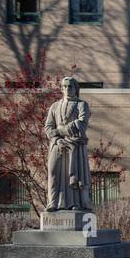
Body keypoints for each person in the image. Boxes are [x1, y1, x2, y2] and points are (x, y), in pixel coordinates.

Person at [45, 76, 92, 211]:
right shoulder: (54, 106)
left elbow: (82, 123)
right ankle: (53, 203)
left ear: (76, 89)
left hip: (74, 145)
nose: (67, 89)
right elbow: (48, 127)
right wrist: (56, 139)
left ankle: (74, 203)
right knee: (53, 172)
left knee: (73, 174)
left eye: (70, 86)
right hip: (57, 145)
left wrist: (61, 130)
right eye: (64, 86)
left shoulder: (82, 105)